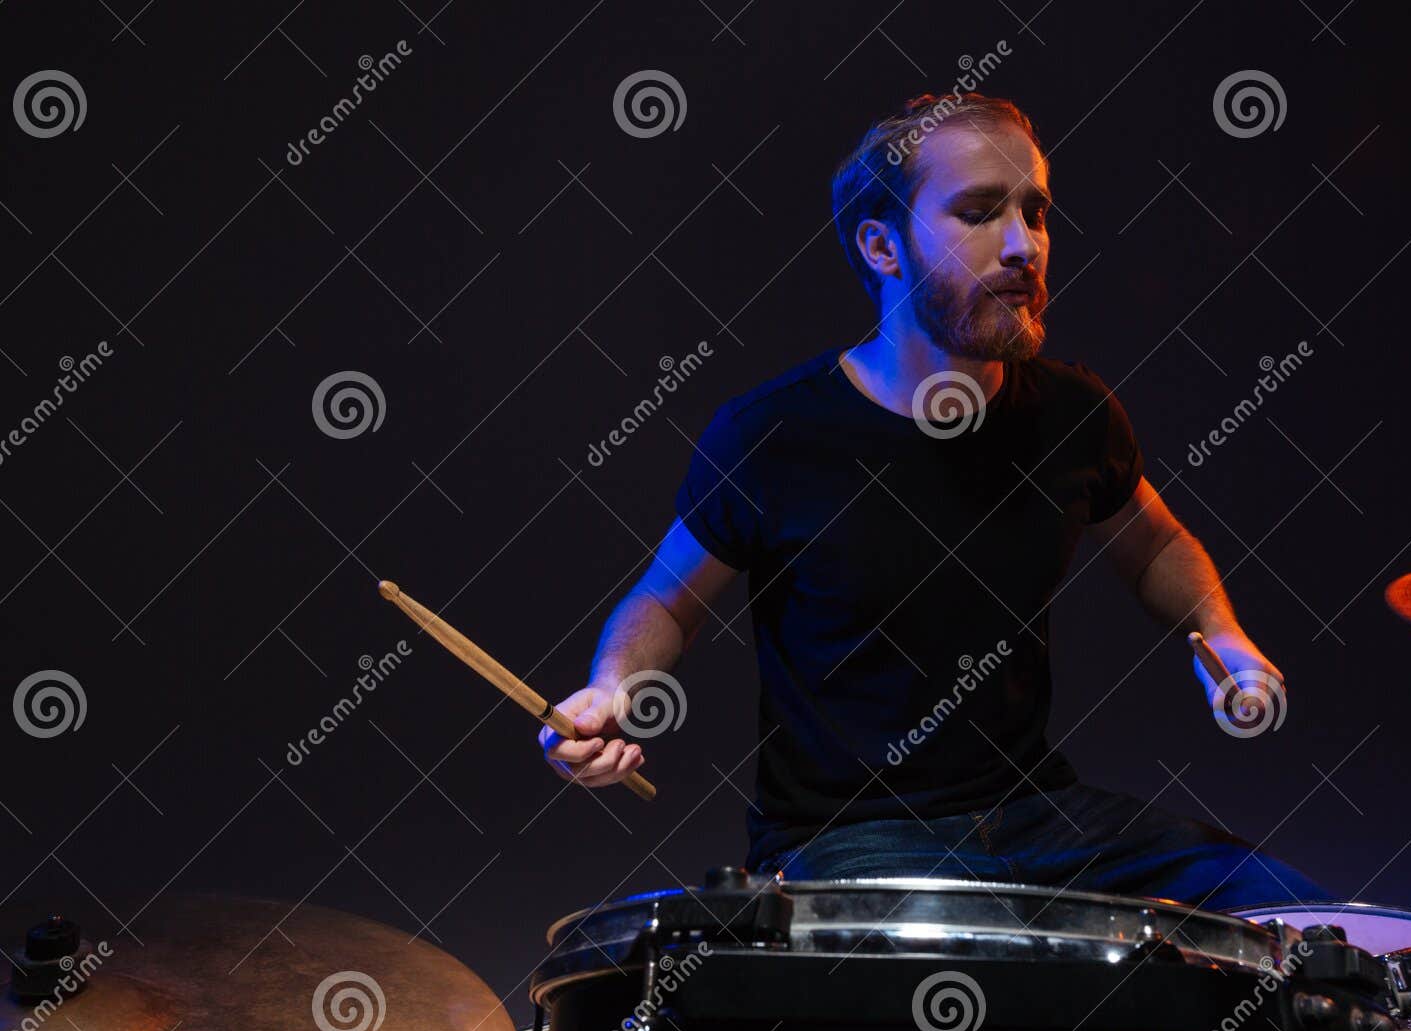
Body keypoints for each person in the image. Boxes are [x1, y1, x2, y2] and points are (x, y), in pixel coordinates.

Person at [540, 92, 1331, 910]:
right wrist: (613, 689)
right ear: (883, 246)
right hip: (848, 839)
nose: (1025, 244)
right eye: (981, 213)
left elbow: (1158, 548)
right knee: (989, 987)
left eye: (1035, 211)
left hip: (1039, 820)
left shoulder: (1073, 415)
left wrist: (1226, 638)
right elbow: (666, 602)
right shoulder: (772, 435)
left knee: (1298, 924)